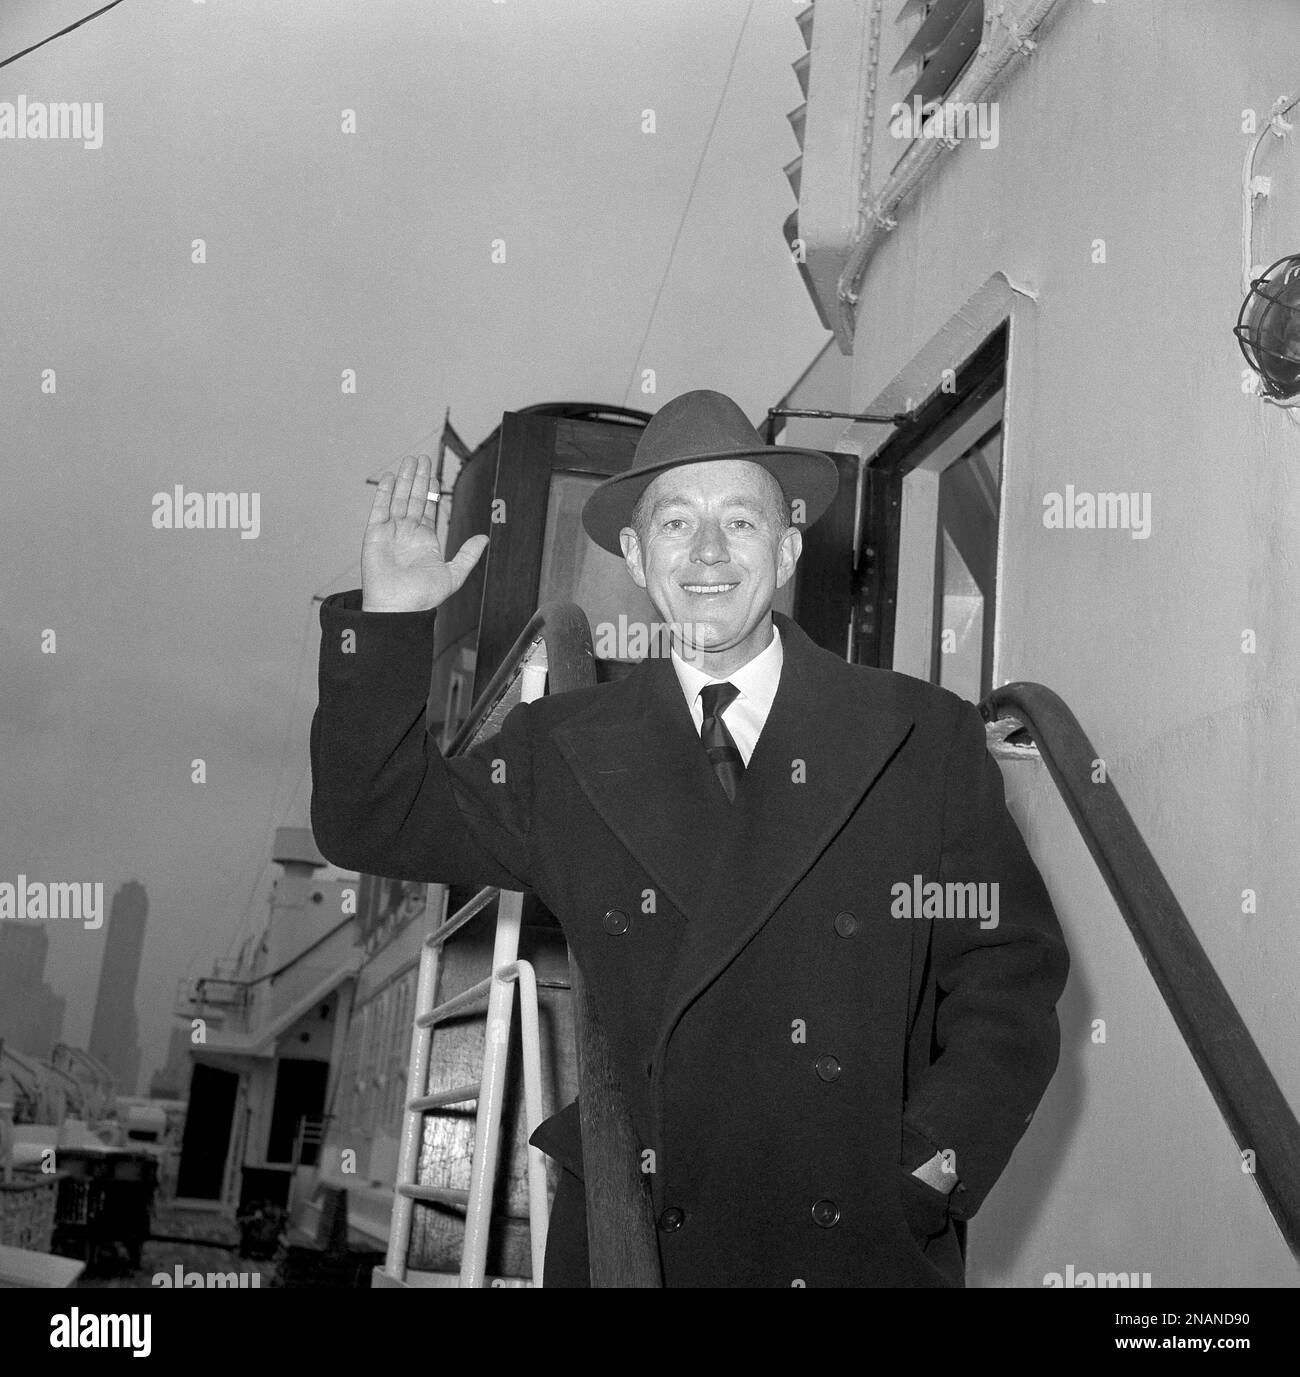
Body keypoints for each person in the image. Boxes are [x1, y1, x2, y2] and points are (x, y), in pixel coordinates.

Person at [310, 389, 1069, 1287]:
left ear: (785, 548)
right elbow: (373, 817)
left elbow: (1008, 977)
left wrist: (932, 1165)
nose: (709, 552)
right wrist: (391, 621)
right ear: (634, 555)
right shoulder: (565, 750)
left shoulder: (919, 735)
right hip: (644, 1250)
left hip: (860, 1244)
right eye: (676, 522)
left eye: (739, 520)